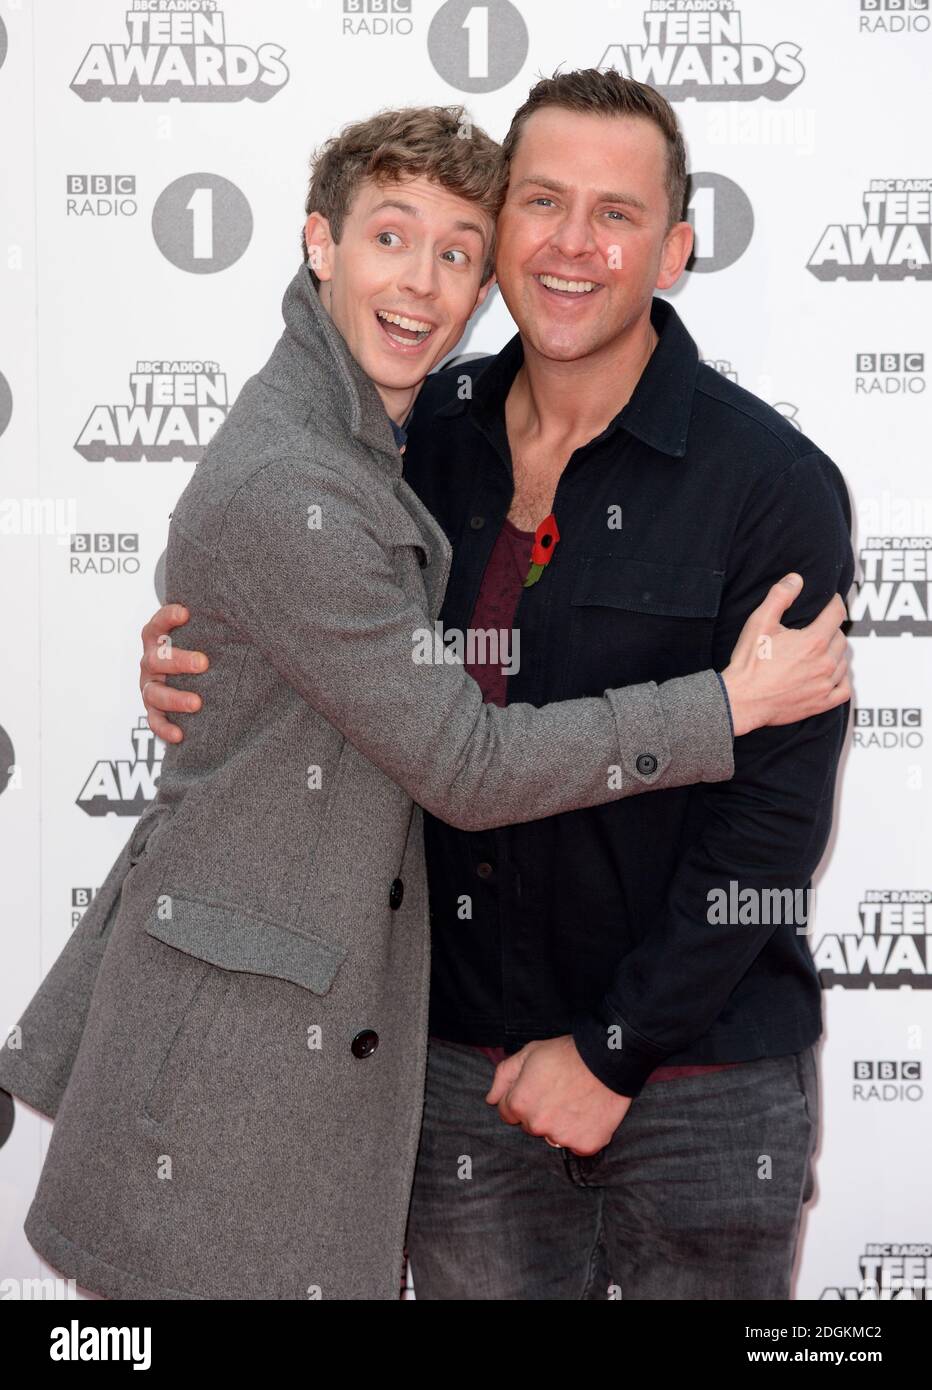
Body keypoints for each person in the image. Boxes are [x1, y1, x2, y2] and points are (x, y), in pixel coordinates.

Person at [0, 101, 847, 1302]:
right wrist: (229, 669)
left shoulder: (771, 484)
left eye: (616, 214)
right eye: (540, 204)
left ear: (674, 250)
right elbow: (439, 741)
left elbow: (769, 828)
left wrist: (614, 1052)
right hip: (450, 1076)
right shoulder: (420, 440)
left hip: (697, 1085)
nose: (569, 242)